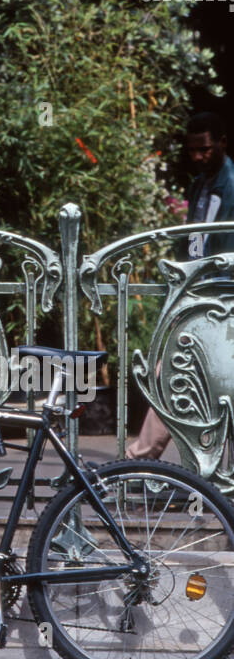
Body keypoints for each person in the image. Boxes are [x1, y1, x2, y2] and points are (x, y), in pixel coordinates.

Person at [127, 111, 234, 460]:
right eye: (192, 150)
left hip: (219, 297)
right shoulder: (201, 185)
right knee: (176, 374)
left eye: (204, 149)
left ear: (222, 143)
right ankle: (145, 462)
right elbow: (192, 241)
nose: (198, 156)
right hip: (198, 295)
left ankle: (140, 462)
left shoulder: (230, 184)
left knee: (175, 372)